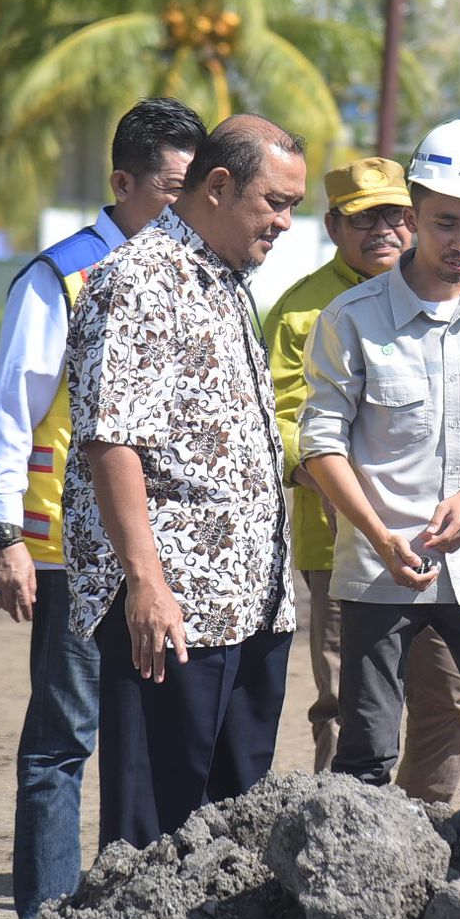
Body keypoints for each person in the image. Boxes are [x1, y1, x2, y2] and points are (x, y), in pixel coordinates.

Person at [0, 97, 205, 919]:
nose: (186, 208)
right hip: (70, 550)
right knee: (64, 734)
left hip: (166, 556)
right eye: (172, 189)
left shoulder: (199, 280)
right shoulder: (61, 275)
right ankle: (48, 912)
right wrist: (2, 537)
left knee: (156, 733)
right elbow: (12, 414)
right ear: (122, 182)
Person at [62, 114, 304, 847]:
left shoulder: (225, 280)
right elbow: (112, 441)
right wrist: (146, 584)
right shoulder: (137, 280)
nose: (288, 223)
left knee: (230, 833)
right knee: (154, 837)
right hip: (174, 615)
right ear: (220, 186)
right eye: (277, 203)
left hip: (247, 605)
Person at [298, 119, 460, 789]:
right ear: (413, 215)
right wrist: (379, 536)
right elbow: (320, 443)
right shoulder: (351, 319)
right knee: (365, 756)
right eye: (446, 222)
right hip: (379, 567)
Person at [265, 157, 460, 795]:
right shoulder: (300, 313)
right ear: (333, 226)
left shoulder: (456, 296)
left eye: (396, 214)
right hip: (342, 546)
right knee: (348, 704)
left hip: (440, 537)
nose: (384, 229)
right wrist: (348, 488)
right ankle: (341, 841)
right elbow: (277, 426)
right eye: (364, 218)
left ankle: (424, 827)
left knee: (447, 697)